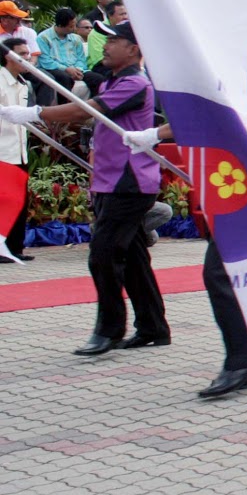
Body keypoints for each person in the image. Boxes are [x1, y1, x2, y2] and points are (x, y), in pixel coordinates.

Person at [1, 22, 169, 353]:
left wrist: (35, 112)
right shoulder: (113, 79)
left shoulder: (135, 83)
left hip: (129, 182)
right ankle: (153, 327)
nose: (105, 45)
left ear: (134, 49)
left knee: (103, 255)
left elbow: (84, 111)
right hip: (110, 179)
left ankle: (109, 329)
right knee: (134, 258)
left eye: (114, 40)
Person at [122, 59, 247, 398]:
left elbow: (218, 115)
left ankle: (243, 362)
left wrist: (156, 133)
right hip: (233, 186)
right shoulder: (230, 69)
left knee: (219, 275)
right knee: (242, 277)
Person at [0, 37, 32, 261]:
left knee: (19, 200)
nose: (27, 59)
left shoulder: (22, 83)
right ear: (7, 57)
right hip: (3, 149)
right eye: (21, 54)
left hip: (19, 149)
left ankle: (15, 247)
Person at [36, 7, 87, 105]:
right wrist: (67, 69)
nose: (74, 29)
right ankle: (63, 111)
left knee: (96, 79)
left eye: (75, 25)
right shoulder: (43, 38)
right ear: (60, 25)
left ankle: (93, 113)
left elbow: (81, 58)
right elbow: (46, 61)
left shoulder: (76, 39)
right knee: (64, 78)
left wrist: (78, 69)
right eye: (71, 27)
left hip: (75, 68)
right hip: (53, 68)